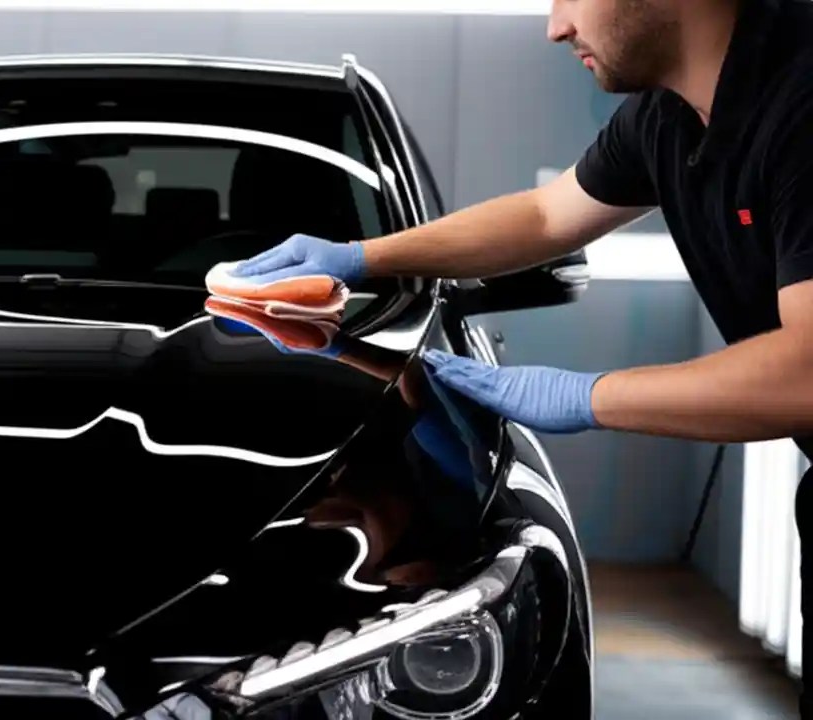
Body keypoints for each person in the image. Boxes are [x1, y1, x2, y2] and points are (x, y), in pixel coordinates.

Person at [229, 0, 813, 710]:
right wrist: (362, 258)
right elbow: (546, 217)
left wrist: (580, 396)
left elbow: (808, 372)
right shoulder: (668, 117)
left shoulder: (802, 99)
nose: (555, 27)